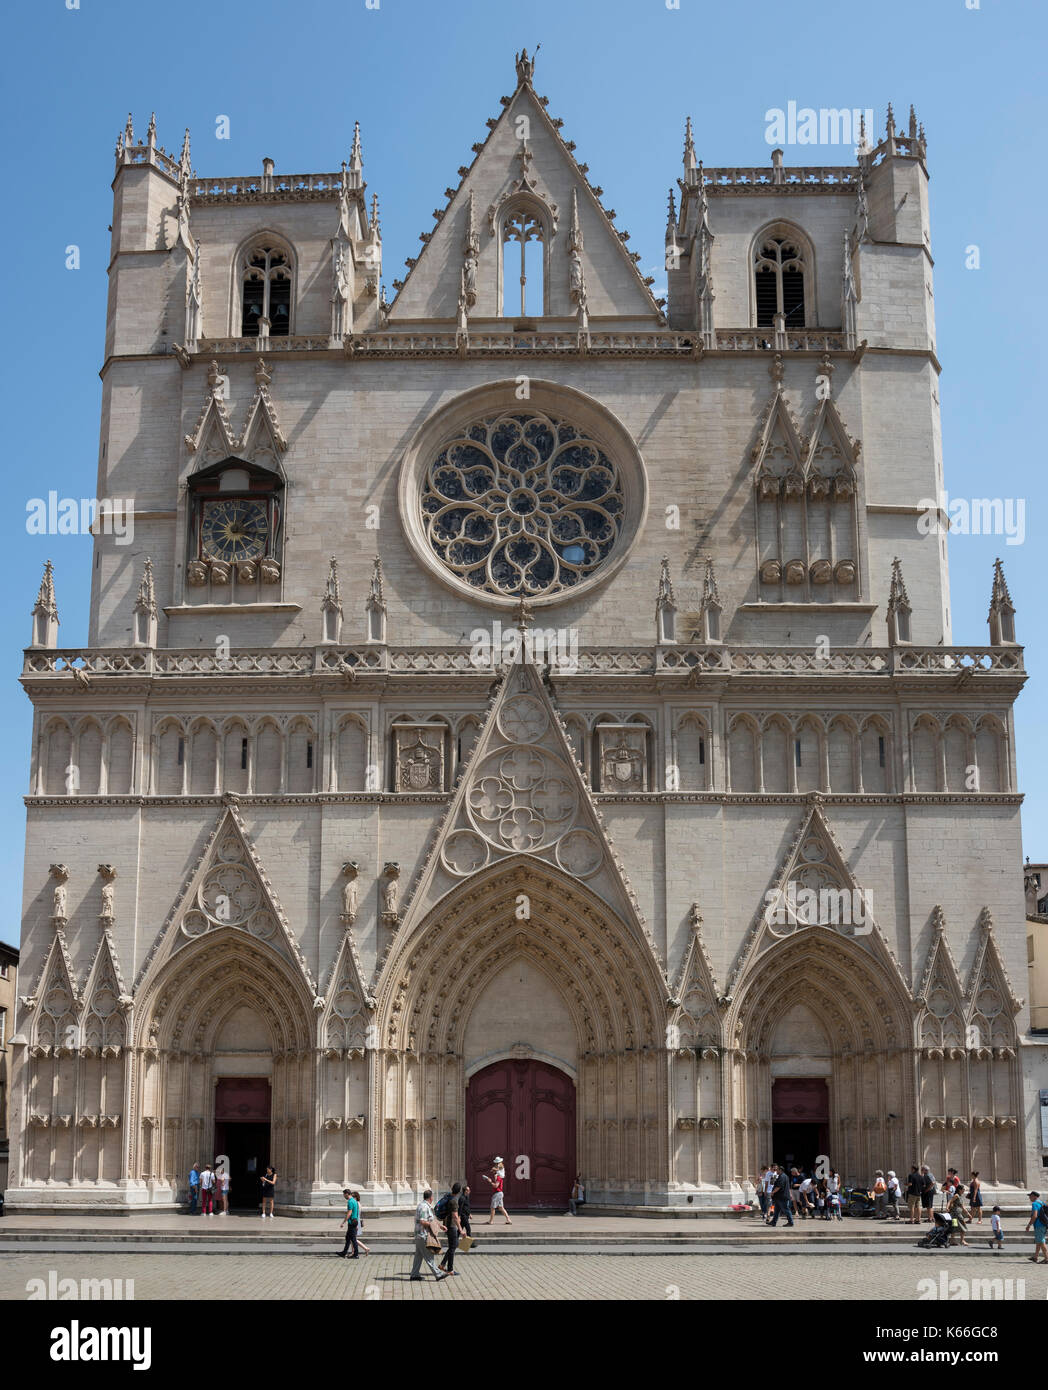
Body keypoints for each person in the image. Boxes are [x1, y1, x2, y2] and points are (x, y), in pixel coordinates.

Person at [410, 1188, 448, 1280]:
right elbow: (423, 1221)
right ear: (431, 1198)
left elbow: (431, 1219)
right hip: (423, 1235)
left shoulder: (424, 1206)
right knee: (429, 1256)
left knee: (418, 1256)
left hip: (420, 1235)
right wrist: (433, 1225)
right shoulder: (424, 1207)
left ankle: (414, 1275)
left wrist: (439, 1226)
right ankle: (438, 1274)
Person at [438, 1182, 464, 1275]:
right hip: (451, 1225)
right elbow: (455, 1216)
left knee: (452, 1246)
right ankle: (450, 1269)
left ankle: (443, 1264)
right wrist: (460, 1229)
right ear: (459, 1191)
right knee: (453, 1246)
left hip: (447, 1224)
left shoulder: (448, 1196)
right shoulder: (454, 1201)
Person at [483, 1158, 512, 1225]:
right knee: (501, 1208)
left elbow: (496, 1186)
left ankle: (490, 1221)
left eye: (493, 1171)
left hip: (497, 1193)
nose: (492, 1172)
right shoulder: (499, 1177)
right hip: (500, 1193)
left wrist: (490, 1181)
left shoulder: (498, 1177)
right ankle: (508, 1219)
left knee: (493, 1207)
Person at [1025, 1190, 1048, 1264]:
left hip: (1039, 1225)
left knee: (1041, 1241)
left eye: (1030, 1196)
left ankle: (1047, 1258)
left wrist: (1029, 1225)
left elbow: (1035, 1215)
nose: (1029, 1198)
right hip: (1044, 1224)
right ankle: (1035, 1257)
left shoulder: (1035, 1204)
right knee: (1039, 1241)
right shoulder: (1041, 1203)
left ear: (1034, 1196)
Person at [339, 1188, 360, 1258]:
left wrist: (343, 1222)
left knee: (353, 1239)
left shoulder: (350, 1202)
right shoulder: (355, 1201)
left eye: (344, 1195)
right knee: (348, 1238)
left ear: (347, 1194)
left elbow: (349, 1213)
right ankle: (344, 1252)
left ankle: (356, 1254)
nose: (344, 1196)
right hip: (355, 1221)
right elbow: (357, 1213)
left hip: (351, 1222)